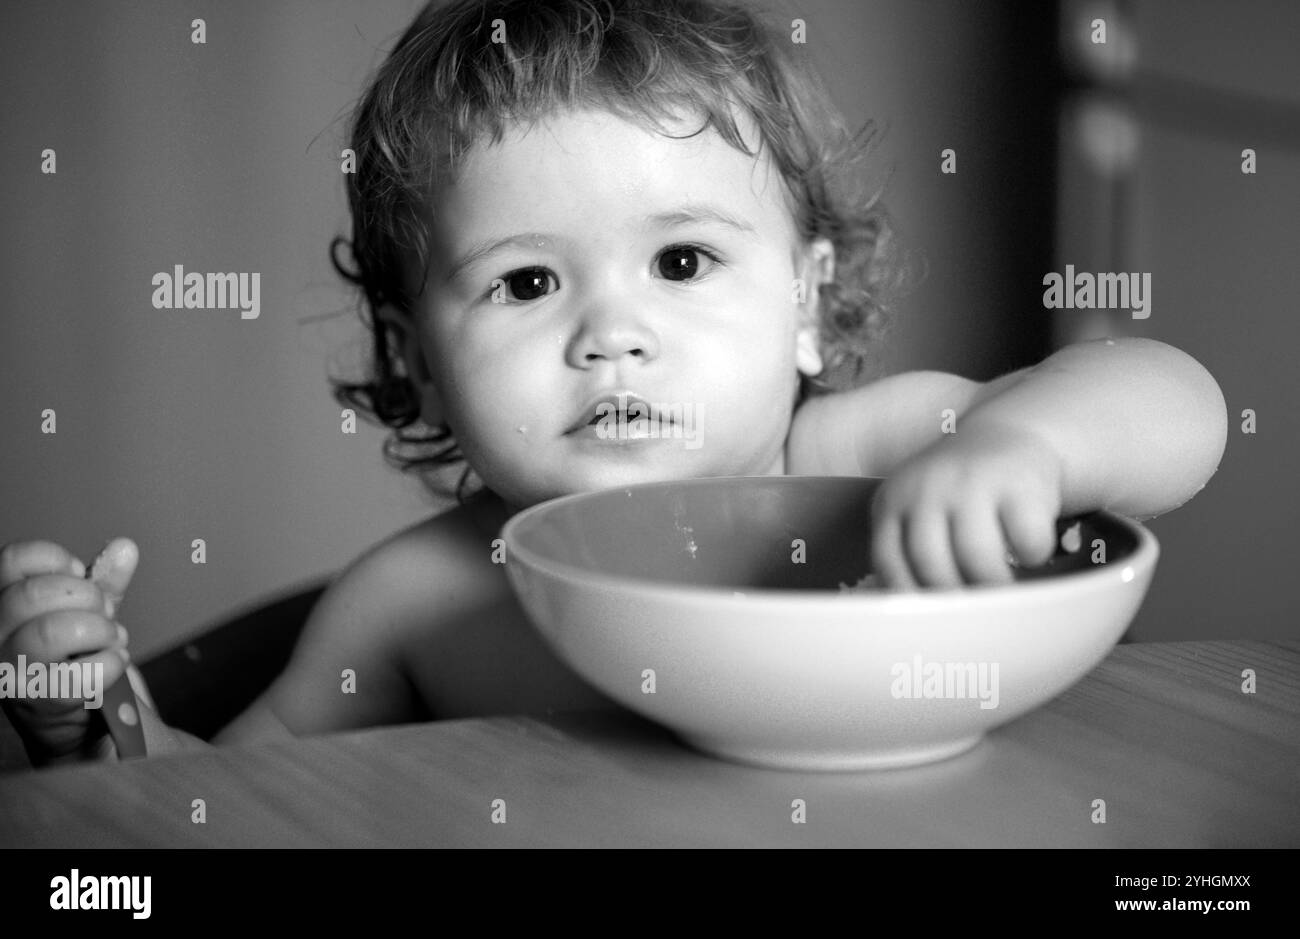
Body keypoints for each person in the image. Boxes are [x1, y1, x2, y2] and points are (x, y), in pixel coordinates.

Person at [0, 0, 1227, 765]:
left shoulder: (871, 459)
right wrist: (93, 719)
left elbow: (1174, 401)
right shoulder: (417, 605)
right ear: (418, 360)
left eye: (681, 260)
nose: (611, 337)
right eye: (527, 285)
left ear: (804, 302)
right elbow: (233, 807)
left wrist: (1022, 449)